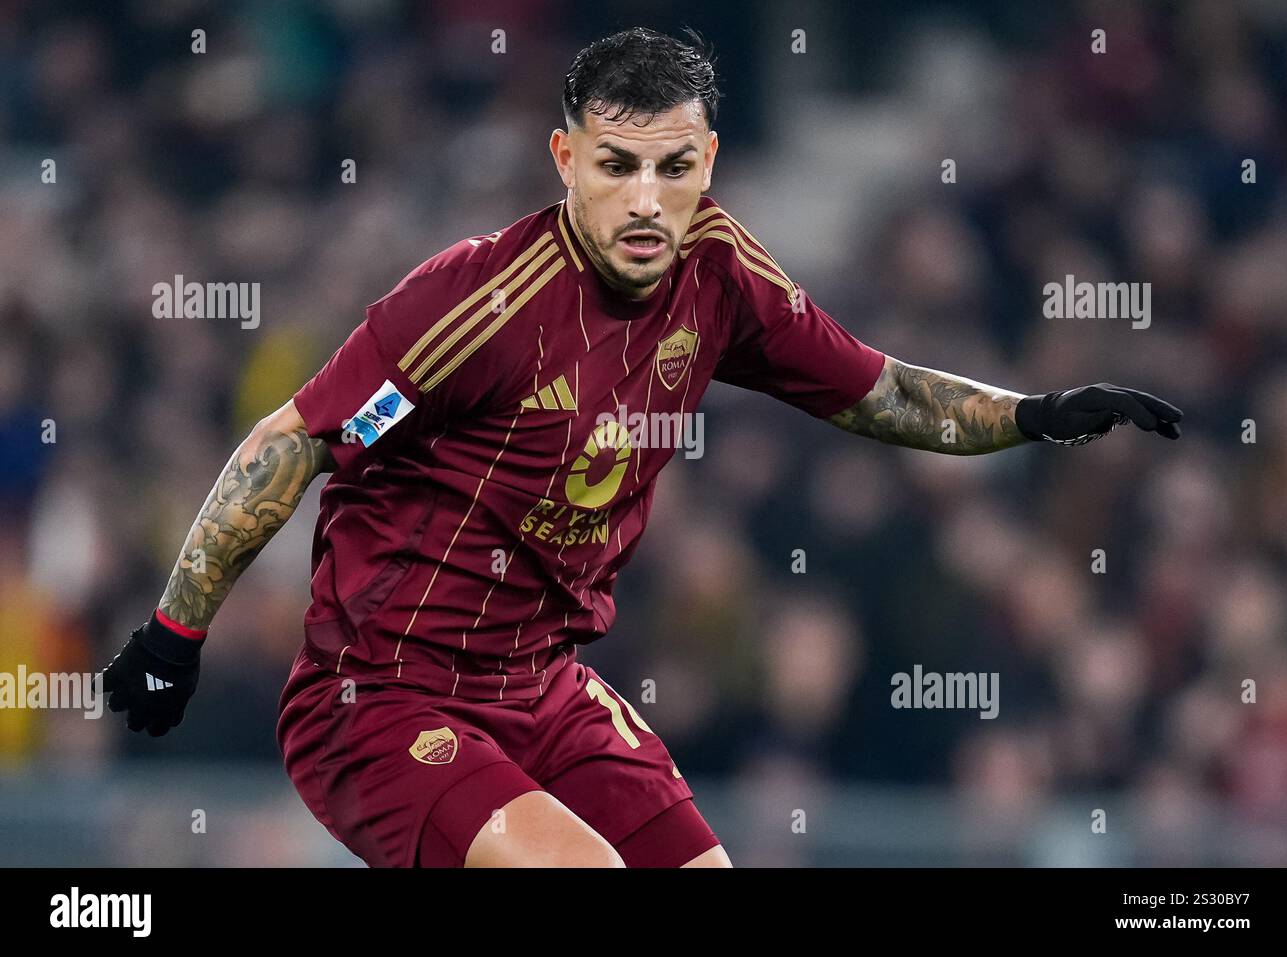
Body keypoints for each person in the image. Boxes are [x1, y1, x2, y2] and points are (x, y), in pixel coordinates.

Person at [98, 27, 1182, 868]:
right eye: (617, 165)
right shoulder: (472, 305)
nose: (648, 201)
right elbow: (292, 444)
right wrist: (173, 632)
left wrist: (1030, 414)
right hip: (381, 698)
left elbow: (879, 394)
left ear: (707, 157)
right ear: (565, 158)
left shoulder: (719, 272)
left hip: (544, 687)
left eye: (674, 166)